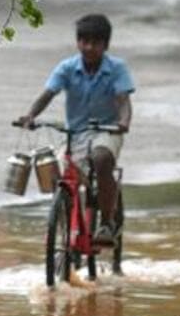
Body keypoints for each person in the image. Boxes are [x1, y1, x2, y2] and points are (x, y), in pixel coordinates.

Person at [15, 13, 134, 245]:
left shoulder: (117, 68)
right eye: (84, 41)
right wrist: (30, 116)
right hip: (76, 133)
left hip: (107, 130)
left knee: (101, 160)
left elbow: (123, 101)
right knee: (59, 175)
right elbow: (48, 94)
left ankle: (106, 223)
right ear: (78, 42)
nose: (89, 47)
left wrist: (123, 122)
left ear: (105, 45)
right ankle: (65, 219)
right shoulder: (67, 67)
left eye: (95, 43)